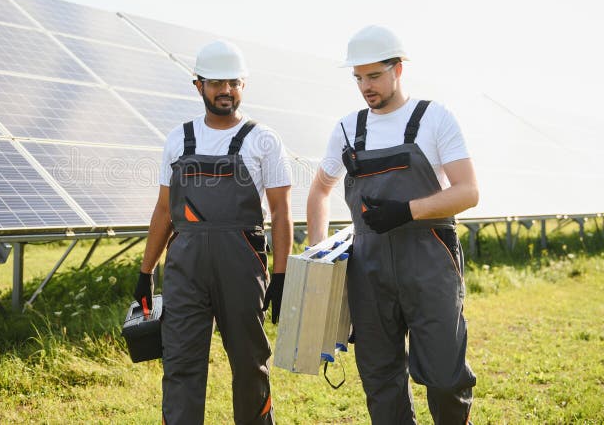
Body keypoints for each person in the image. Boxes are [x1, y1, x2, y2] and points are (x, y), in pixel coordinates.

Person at [307, 25, 479, 424]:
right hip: (367, 268)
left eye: (374, 76)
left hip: (429, 259)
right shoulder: (348, 129)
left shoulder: (435, 118)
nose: (365, 86)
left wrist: (407, 211)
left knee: (444, 377)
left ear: (398, 69)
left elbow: (469, 191)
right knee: (380, 380)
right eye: (358, 78)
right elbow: (318, 192)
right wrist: (318, 257)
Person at [133, 40, 293, 425]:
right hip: (185, 269)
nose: (226, 91)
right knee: (181, 364)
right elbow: (162, 210)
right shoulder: (178, 139)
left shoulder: (264, 139)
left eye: (234, 83)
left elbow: (281, 211)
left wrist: (284, 276)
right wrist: (145, 271)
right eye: (217, 83)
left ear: (243, 86)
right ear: (198, 85)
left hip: (243, 264)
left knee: (250, 363)